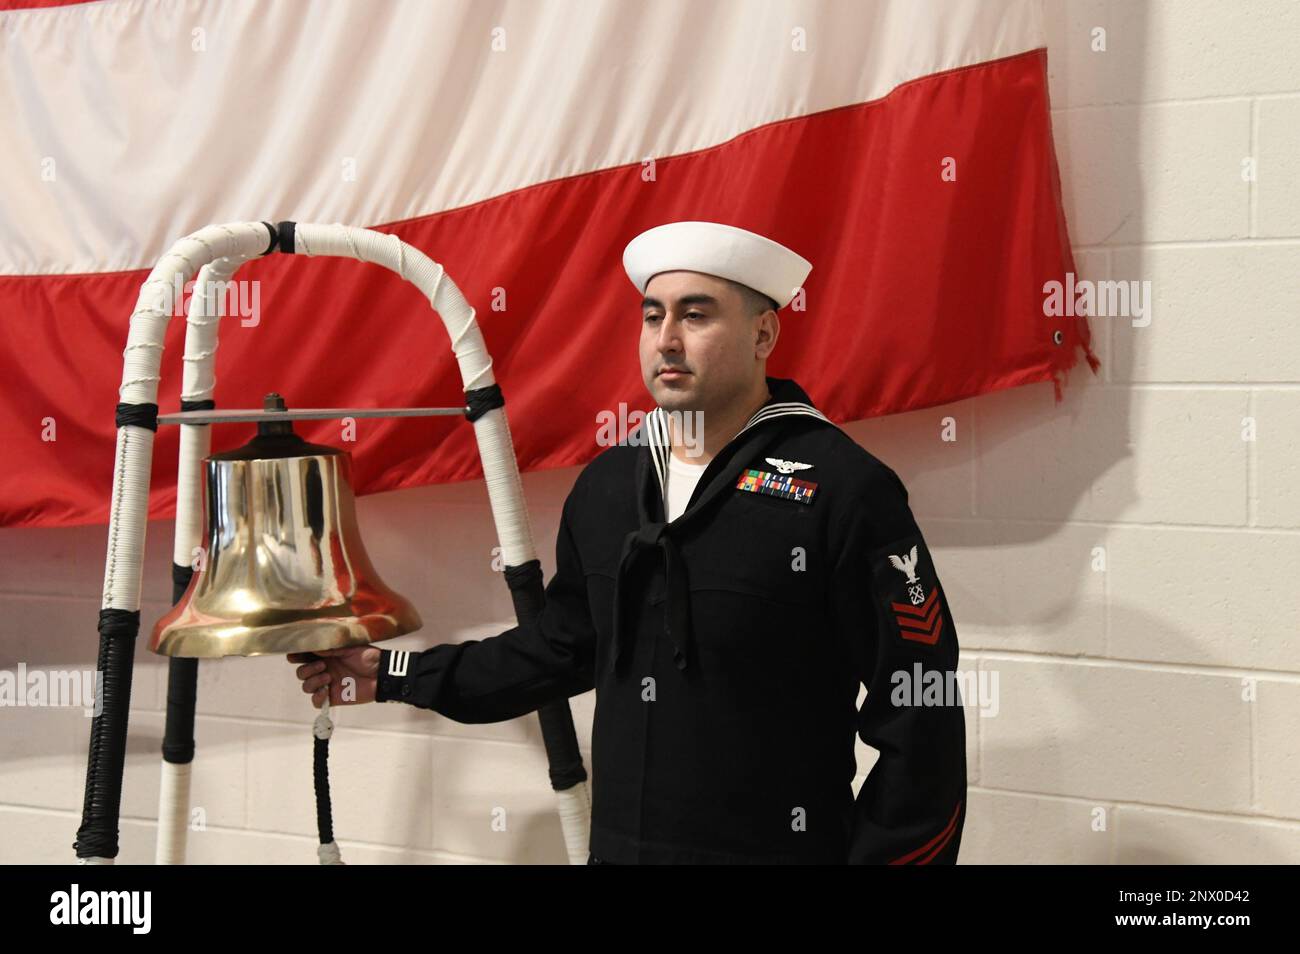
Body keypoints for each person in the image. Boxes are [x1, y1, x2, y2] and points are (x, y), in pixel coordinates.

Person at [289, 220, 967, 864]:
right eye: (653, 315)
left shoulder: (843, 488)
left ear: (764, 334)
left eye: (696, 315)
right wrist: (394, 675)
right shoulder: (612, 485)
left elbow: (921, 712)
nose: (666, 338)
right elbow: (559, 649)